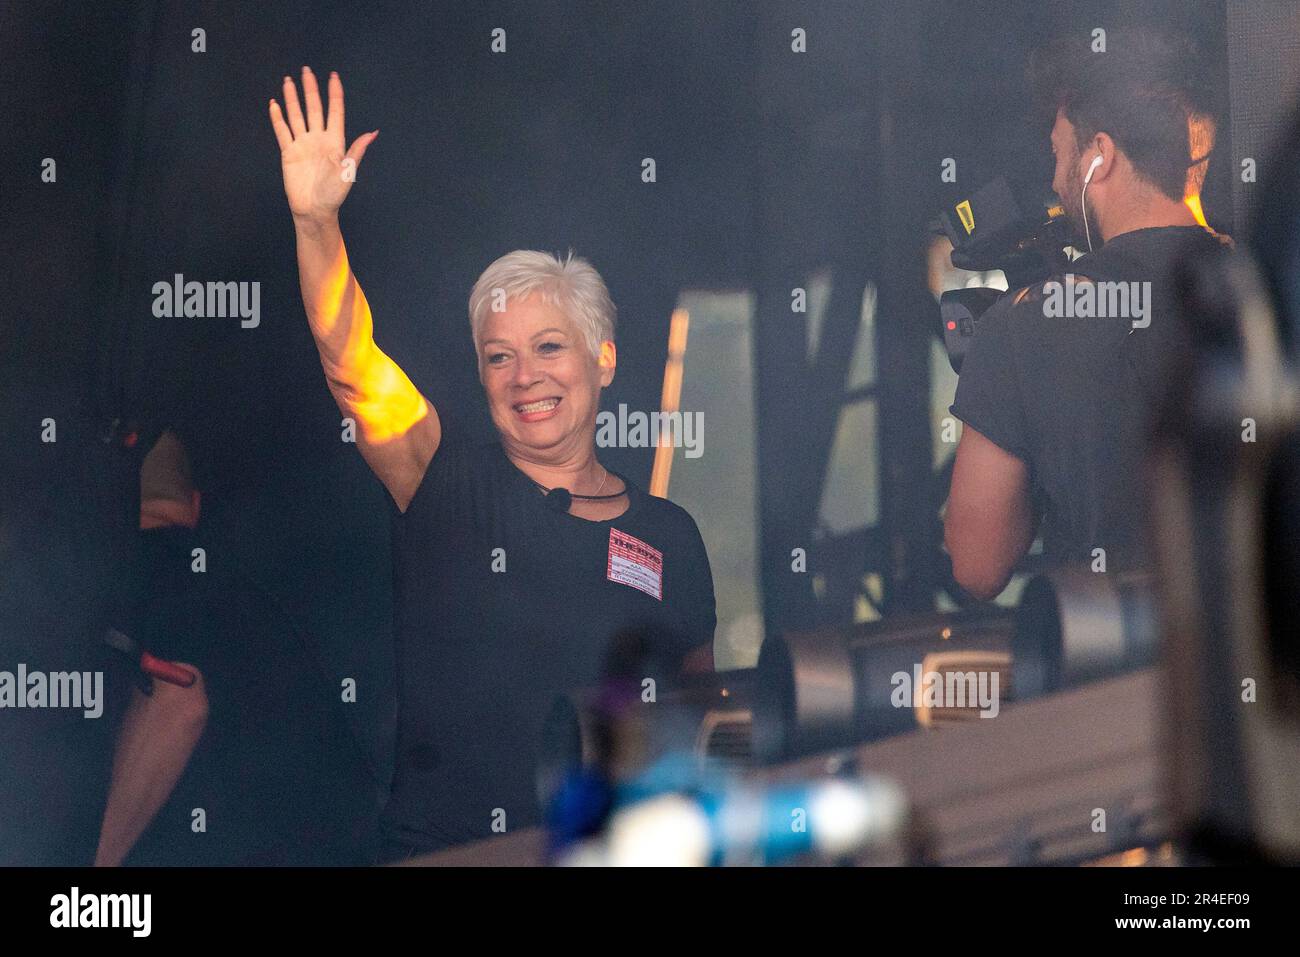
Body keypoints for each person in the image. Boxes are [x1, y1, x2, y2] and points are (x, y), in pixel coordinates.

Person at [267, 67, 717, 858]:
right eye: (499, 357)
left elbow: (703, 722)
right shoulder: (446, 480)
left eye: (549, 347)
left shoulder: (670, 535)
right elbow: (352, 362)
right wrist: (315, 225)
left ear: (604, 358)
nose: (525, 375)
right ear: (480, 377)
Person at [944, 29, 1232, 600]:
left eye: (1058, 154)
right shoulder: (1270, 283)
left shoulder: (1023, 325)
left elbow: (975, 565)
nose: (1055, 180)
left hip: (1115, 674)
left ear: (1099, 156)